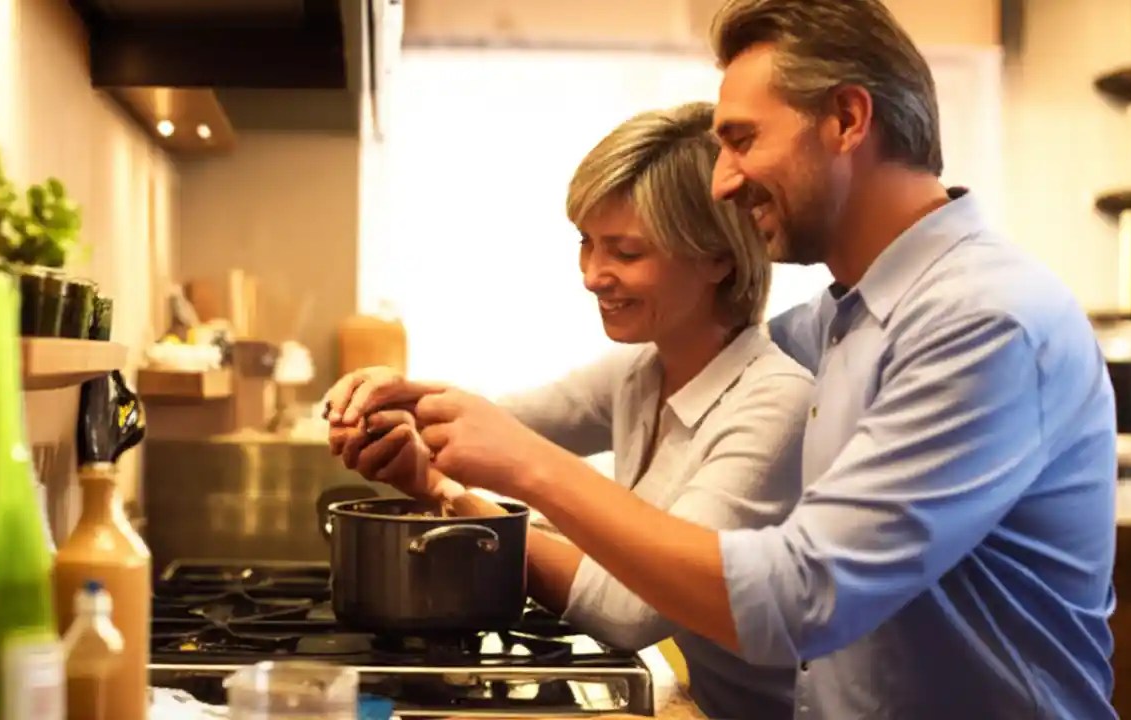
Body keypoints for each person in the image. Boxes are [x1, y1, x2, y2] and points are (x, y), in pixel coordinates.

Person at [330, 1, 1121, 718]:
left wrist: (523, 470)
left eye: (742, 140)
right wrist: (410, 406)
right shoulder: (839, 320)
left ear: (847, 119)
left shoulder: (983, 321)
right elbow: (700, 358)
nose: (723, 180)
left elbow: (799, 597)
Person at [326, 101, 814, 720]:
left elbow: (627, 609)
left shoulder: (775, 404)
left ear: (718, 256)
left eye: (625, 252)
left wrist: (450, 497)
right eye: (586, 243)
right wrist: (393, 402)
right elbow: (496, 422)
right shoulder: (644, 371)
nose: (592, 275)